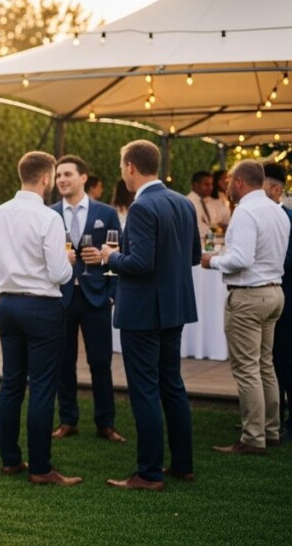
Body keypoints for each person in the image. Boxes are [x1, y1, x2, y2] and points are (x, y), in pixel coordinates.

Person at [100, 140, 199, 491]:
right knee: (172, 384)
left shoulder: (142, 207)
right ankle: (183, 465)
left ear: (130, 166)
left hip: (143, 313)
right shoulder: (183, 203)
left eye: (121, 167)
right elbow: (193, 256)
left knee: (145, 390)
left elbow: (140, 264)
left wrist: (109, 256)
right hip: (174, 308)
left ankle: (149, 473)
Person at [0, 151, 80, 486]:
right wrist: (68, 259)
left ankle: (10, 459)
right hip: (42, 306)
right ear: (46, 178)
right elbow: (59, 273)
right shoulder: (49, 218)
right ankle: (41, 468)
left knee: (11, 383)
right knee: (41, 387)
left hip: (8, 304)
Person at [201, 160, 289, 455]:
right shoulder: (277, 211)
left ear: (239, 182)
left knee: (247, 368)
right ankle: (271, 430)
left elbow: (240, 259)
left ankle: (252, 438)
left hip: (250, 297)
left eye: (229, 181)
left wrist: (210, 260)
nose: (225, 186)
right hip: (274, 294)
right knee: (265, 365)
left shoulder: (246, 212)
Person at [49, 155, 126, 443]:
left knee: (100, 361)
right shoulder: (50, 213)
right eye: (58, 175)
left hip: (96, 298)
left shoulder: (106, 212)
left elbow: (118, 251)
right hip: (63, 296)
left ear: (84, 178)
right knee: (63, 363)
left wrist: (111, 291)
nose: (62, 180)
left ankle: (105, 422)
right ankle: (68, 419)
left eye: (67, 174)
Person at [261, 163, 292, 444]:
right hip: (277, 296)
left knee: (284, 360)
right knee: (270, 360)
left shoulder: (286, 217)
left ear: (275, 189)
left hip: (286, 297)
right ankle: (271, 418)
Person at [188, 170, 230, 238]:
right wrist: (218, 229)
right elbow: (199, 229)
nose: (210, 187)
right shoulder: (188, 203)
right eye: (206, 184)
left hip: (213, 243)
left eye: (211, 184)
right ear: (195, 185)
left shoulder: (210, 202)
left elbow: (219, 222)